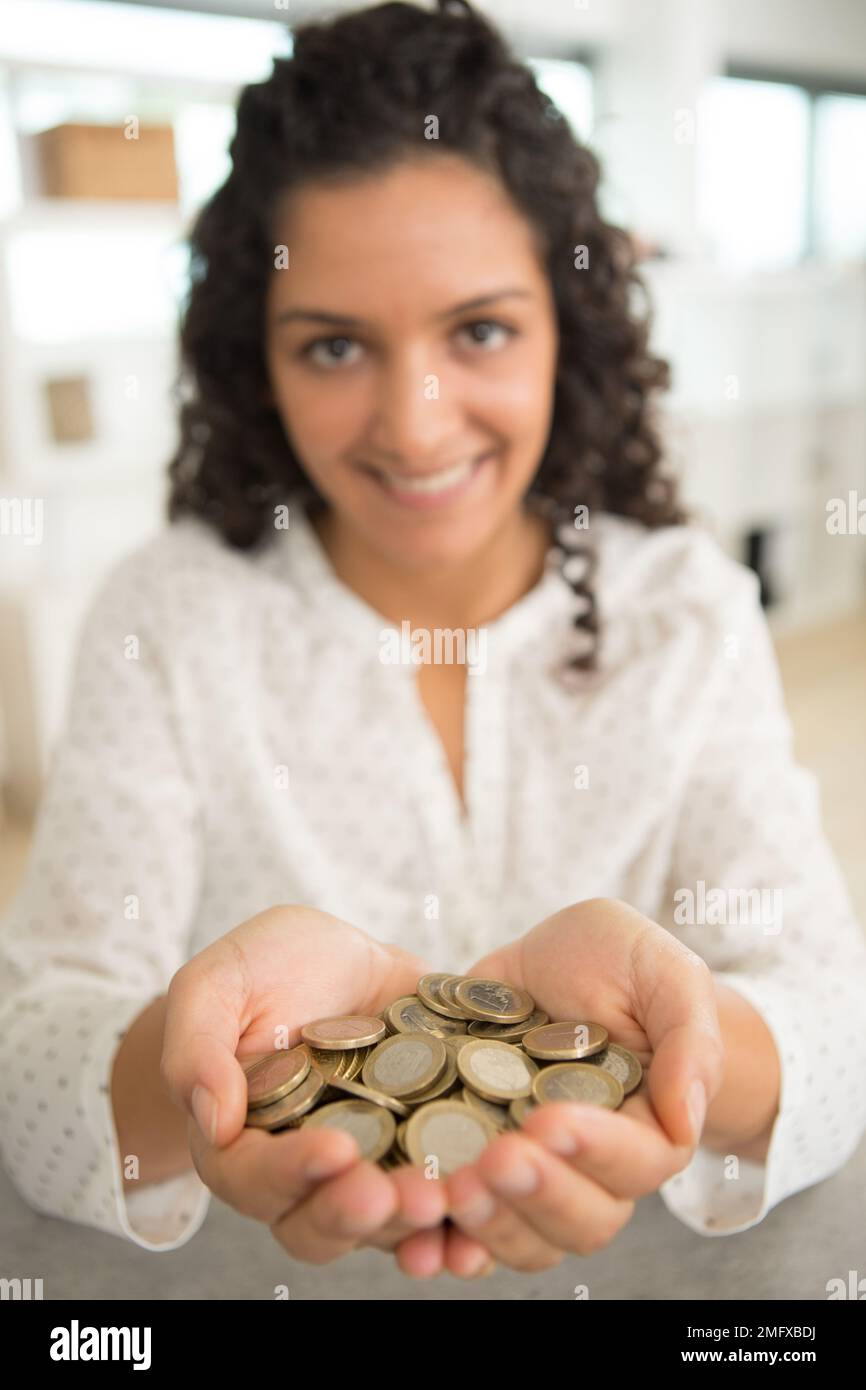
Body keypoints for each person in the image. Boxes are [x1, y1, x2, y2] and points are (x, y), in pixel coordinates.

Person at [1, 0, 864, 1284]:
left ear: (568, 327)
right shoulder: (168, 612)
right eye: (336, 343)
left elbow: (832, 1027)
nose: (413, 428)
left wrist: (695, 1045)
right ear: (258, 360)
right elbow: (32, 1064)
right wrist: (197, 1062)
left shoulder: (687, 605)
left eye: (478, 330)